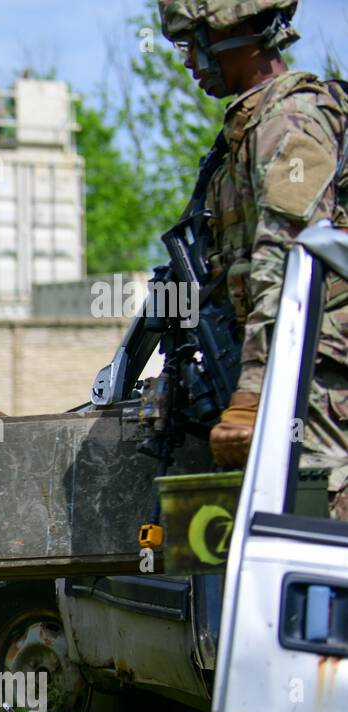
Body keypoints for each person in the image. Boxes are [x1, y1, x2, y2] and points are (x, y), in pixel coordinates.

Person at [160, 0, 347, 517]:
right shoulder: (245, 129)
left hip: (314, 376)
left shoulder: (290, 119)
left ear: (232, 35)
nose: (188, 61)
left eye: (191, 44)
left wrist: (250, 395)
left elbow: (288, 260)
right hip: (285, 372)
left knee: (316, 523)